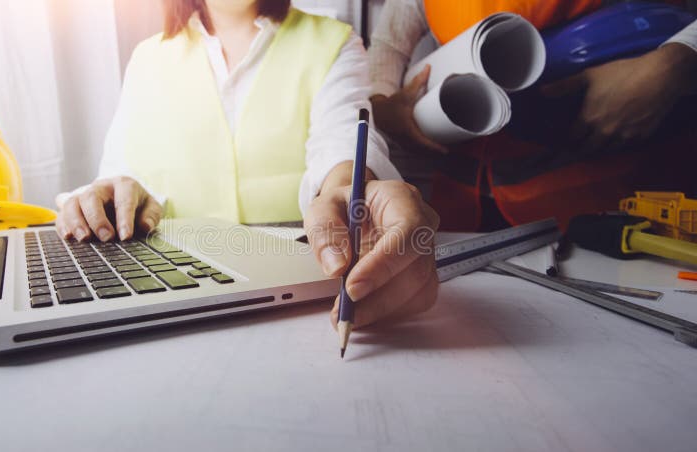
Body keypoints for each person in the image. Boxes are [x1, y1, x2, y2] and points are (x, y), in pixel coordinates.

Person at [55, 0, 440, 329]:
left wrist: (347, 191)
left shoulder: (335, 42)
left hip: (295, 311)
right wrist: (112, 196)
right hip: (168, 306)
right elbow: (121, 170)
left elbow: (340, 141)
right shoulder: (147, 57)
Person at [370, 0, 697, 231]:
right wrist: (381, 105)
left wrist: (674, 62)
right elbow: (388, 47)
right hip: (466, 207)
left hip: (611, 205)